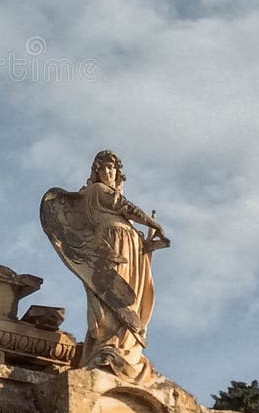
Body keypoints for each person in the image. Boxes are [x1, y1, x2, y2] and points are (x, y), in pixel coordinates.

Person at [40, 150, 169, 383]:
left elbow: (124, 212)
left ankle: (127, 351)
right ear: (96, 171)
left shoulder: (114, 206)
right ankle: (109, 345)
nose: (109, 172)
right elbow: (124, 206)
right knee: (113, 296)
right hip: (111, 246)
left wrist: (146, 245)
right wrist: (153, 224)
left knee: (133, 298)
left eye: (113, 169)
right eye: (104, 167)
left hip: (130, 249)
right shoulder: (98, 191)